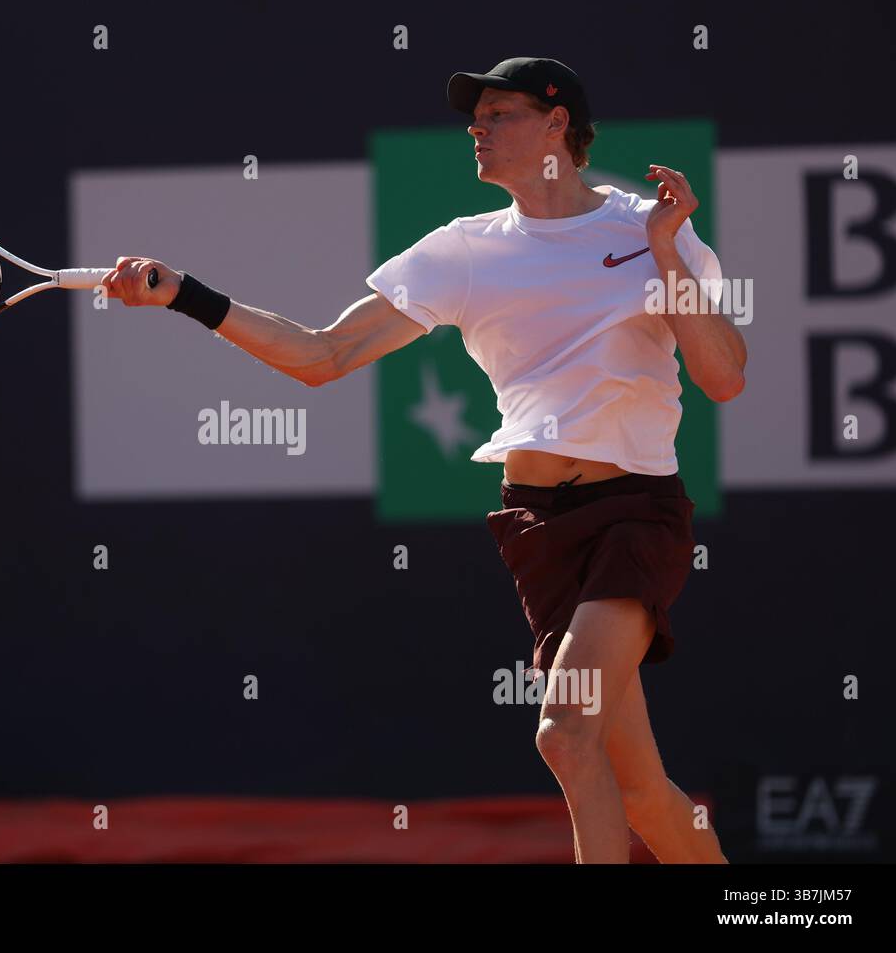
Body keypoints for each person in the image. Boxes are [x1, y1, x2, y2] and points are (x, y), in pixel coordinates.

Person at [101, 56, 746, 864]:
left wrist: (666, 251)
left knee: (565, 733)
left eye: (498, 113)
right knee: (644, 788)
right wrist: (184, 294)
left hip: (636, 513)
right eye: (473, 117)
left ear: (557, 126)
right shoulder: (462, 251)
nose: (477, 128)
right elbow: (321, 354)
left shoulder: (650, 227)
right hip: (539, 528)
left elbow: (723, 377)